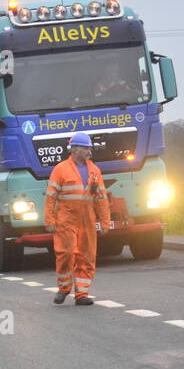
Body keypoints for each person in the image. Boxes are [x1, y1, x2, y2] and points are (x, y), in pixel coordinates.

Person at [45, 131, 111, 306]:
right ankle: (64, 288)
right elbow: (51, 197)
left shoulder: (94, 171)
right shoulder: (60, 169)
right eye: (86, 148)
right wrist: (50, 221)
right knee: (65, 254)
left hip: (87, 220)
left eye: (90, 148)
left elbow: (102, 199)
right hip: (66, 219)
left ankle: (82, 294)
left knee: (87, 257)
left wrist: (104, 222)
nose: (90, 151)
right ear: (75, 150)